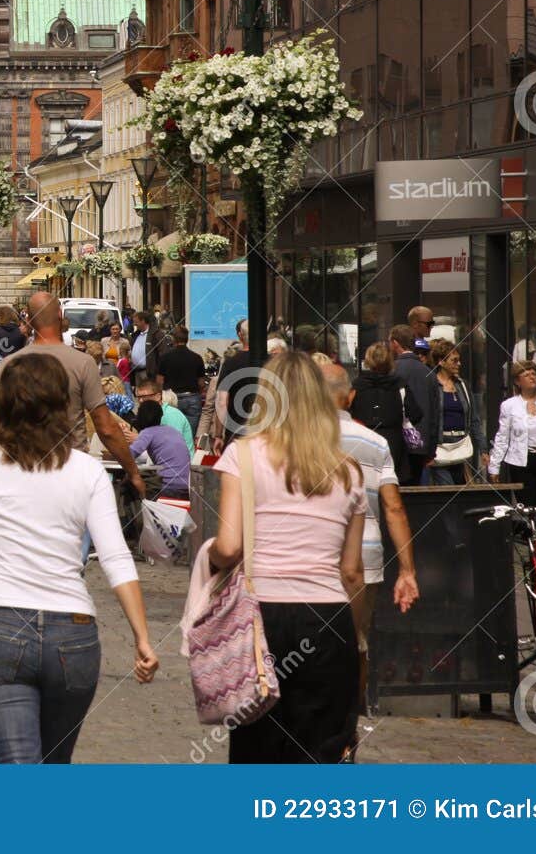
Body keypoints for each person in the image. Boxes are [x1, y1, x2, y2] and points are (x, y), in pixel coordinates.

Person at [0, 353, 159, 762]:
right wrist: (142, 637)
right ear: (61, 405)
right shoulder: (87, 471)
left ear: (5, 403)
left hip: (0, 627)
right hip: (74, 631)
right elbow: (117, 558)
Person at [209, 350, 365, 763]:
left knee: (255, 748)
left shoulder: (242, 456)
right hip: (329, 617)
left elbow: (228, 547)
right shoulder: (348, 470)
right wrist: (361, 640)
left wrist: (208, 560)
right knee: (320, 752)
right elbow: (351, 571)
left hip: (263, 618)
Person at [321, 361, 418, 719]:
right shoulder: (375, 443)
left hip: (311, 558)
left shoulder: (293, 439)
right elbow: (393, 507)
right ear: (351, 398)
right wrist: (407, 569)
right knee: (356, 642)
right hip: (365, 559)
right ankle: (349, 718)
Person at [0, 292, 145, 498]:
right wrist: (133, 473)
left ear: (28, 321)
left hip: (22, 473)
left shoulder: (7, 365)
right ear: (60, 316)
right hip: (69, 471)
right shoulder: (82, 363)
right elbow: (105, 428)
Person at [489, 360, 536, 540]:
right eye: (527, 374)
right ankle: (532, 549)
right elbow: (502, 437)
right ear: (517, 381)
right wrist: (494, 467)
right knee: (529, 510)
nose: (532, 377)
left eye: (534, 373)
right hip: (521, 462)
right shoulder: (510, 405)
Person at [349, 342, 419, 480]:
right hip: (394, 443)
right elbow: (416, 413)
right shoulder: (400, 385)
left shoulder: (356, 386)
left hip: (364, 441)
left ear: (368, 360)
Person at [428, 339, 484, 485]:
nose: (459, 364)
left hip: (461, 446)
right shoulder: (432, 385)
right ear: (441, 362)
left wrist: (483, 448)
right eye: (454, 360)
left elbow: (474, 419)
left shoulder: (462, 385)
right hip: (440, 447)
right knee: (446, 489)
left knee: (462, 490)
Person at [390, 324, 439, 484]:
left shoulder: (392, 370)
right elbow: (435, 414)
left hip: (397, 444)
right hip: (422, 445)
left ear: (395, 343)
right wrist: (431, 449)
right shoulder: (429, 373)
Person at [129, 400, 190, 498]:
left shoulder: (147, 432)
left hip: (167, 486)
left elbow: (129, 454)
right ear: (161, 416)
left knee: (129, 486)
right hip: (187, 485)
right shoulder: (172, 430)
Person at [213, 318, 257, 450]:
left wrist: (218, 435)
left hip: (236, 430)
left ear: (240, 335)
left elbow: (222, 402)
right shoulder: (272, 361)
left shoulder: (230, 363)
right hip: (267, 431)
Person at [157, 325, 207, 437]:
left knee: (172, 434)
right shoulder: (196, 358)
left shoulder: (165, 358)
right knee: (190, 433)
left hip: (171, 399)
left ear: (173, 339)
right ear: (187, 339)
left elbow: (159, 382)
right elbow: (201, 383)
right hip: (192, 399)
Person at [132, 375, 194, 453]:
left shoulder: (171, 415)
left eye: (144, 396)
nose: (140, 400)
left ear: (158, 396)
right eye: (138, 397)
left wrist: (139, 440)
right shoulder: (148, 414)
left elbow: (171, 447)